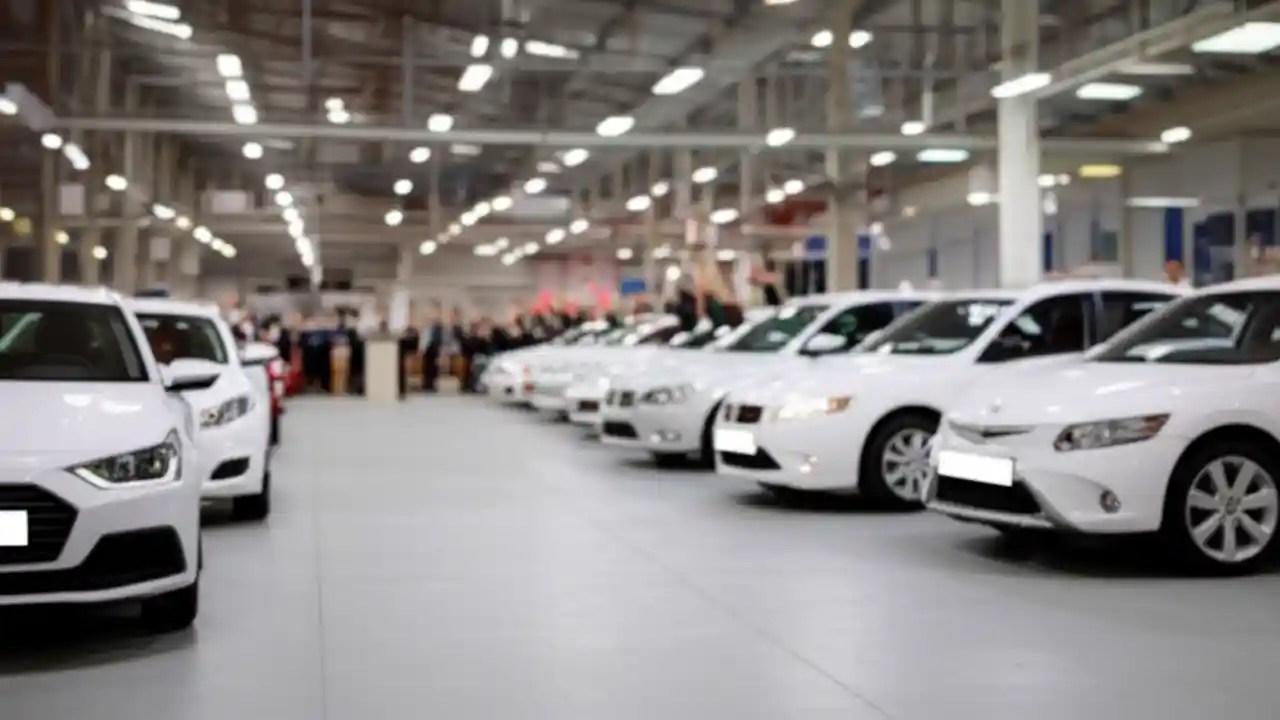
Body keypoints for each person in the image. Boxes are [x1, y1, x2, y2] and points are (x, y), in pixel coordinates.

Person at [420, 301, 444, 393]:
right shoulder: (428, 329)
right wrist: (422, 349)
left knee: (434, 369)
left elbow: (440, 340)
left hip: (435, 351)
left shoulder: (440, 329)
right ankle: (427, 384)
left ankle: (432, 384)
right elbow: (424, 340)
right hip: (428, 350)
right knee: (427, 368)